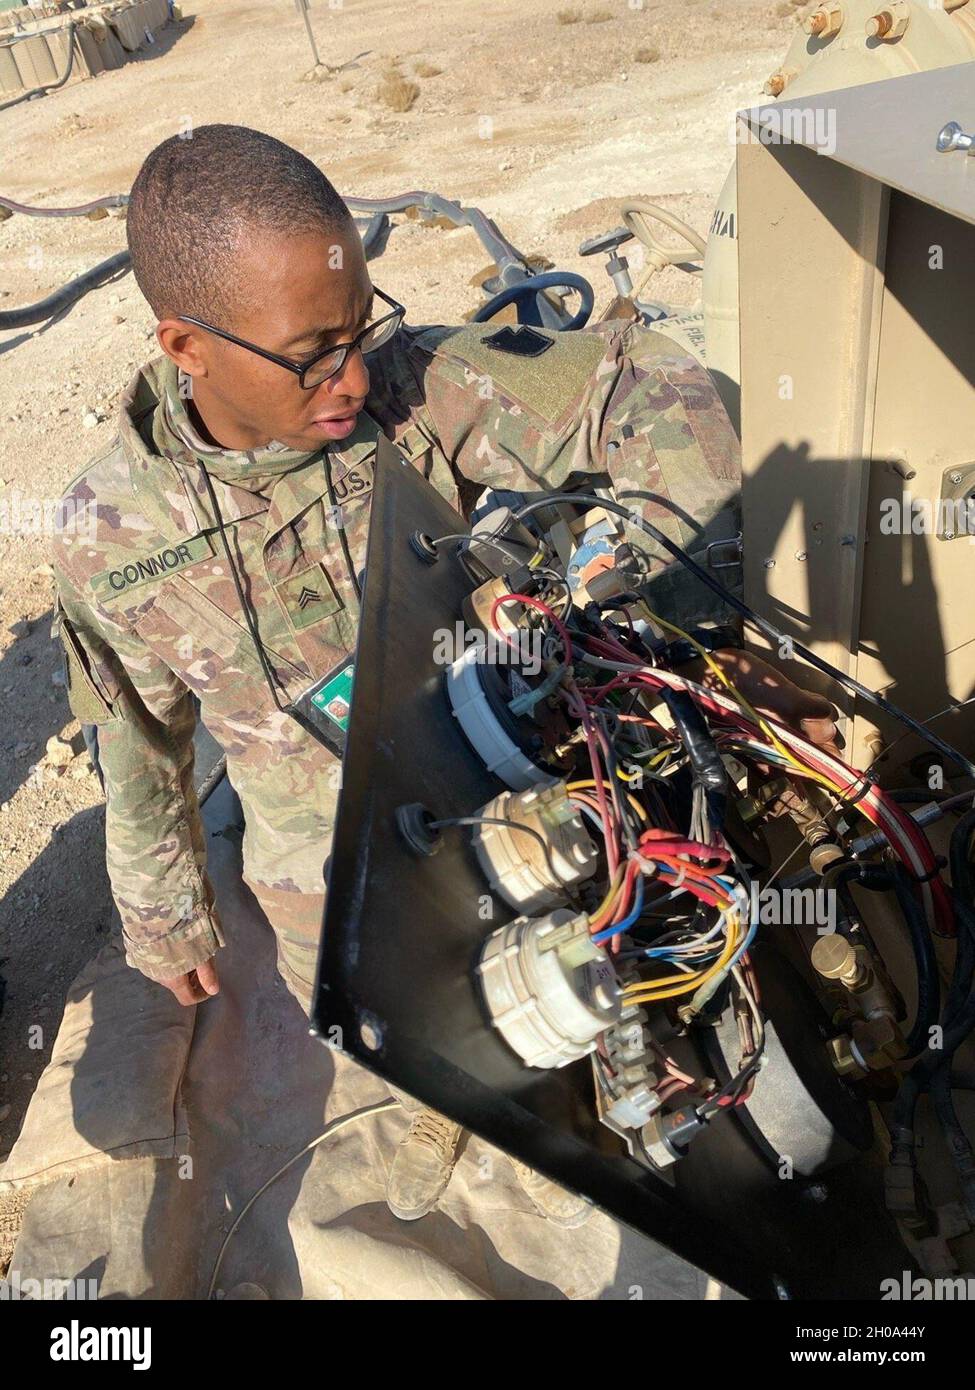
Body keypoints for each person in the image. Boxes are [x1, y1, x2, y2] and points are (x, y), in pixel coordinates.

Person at [51, 124, 837, 1226]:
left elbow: (647, 383)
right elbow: (135, 733)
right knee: (430, 1042)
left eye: (359, 326)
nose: (355, 374)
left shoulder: (411, 393)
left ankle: (629, 1086)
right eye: (313, 352)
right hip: (318, 876)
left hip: (497, 789)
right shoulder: (110, 532)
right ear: (187, 347)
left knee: (584, 977)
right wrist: (166, 911)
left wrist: (694, 630)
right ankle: (452, 1103)